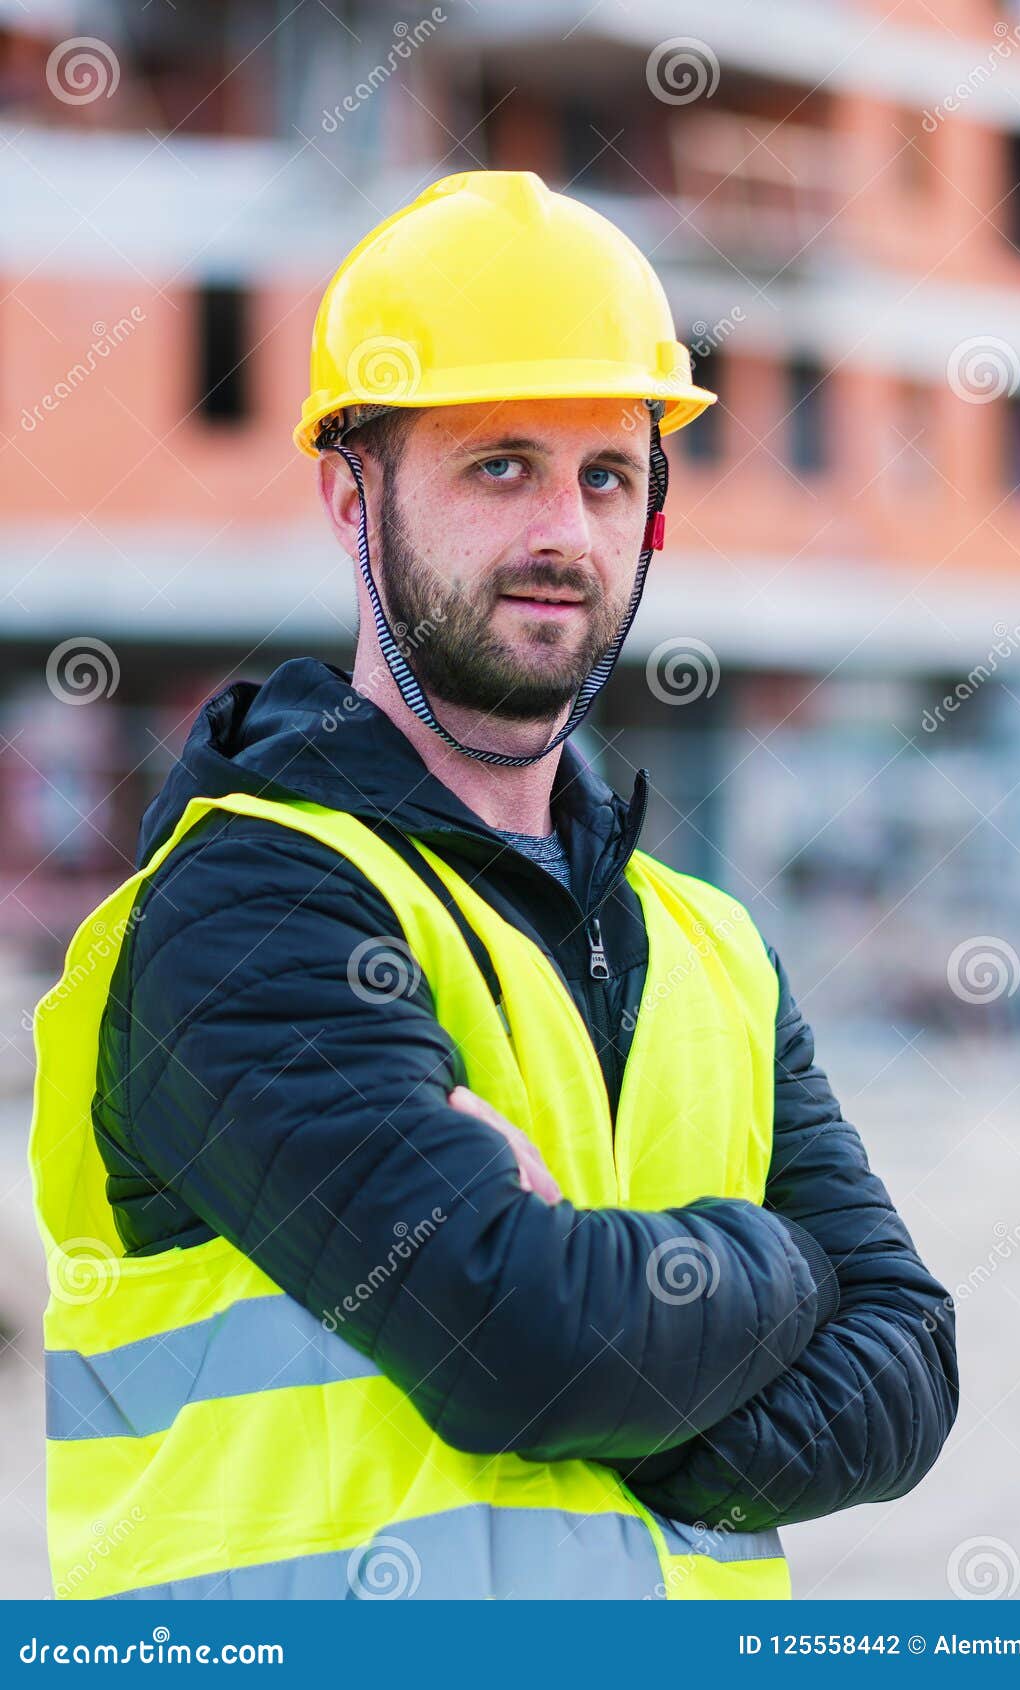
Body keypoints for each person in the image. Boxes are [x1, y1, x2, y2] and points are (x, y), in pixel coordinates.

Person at [29, 170, 957, 1602]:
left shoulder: (710, 944)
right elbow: (511, 1337)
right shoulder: (250, 910)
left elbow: (910, 1359)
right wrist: (780, 1267)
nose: (563, 536)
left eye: (607, 474)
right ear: (352, 496)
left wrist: (611, 1319)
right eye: (499, 464)